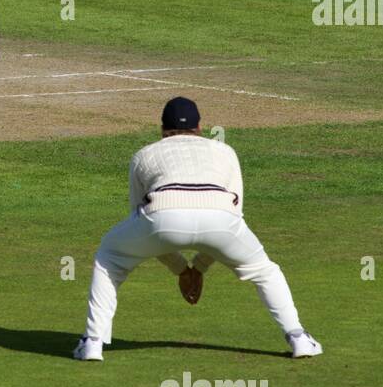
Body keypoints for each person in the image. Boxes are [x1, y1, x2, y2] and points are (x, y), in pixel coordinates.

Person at [75, 96, 322, 361]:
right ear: (200, 127)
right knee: (265, 271)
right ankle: (299, 339)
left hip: (162, 214)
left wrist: (183, 270)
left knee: (110, 255)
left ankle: (93, 343)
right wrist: (198, 268)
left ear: (162, 128)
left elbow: (144, 220)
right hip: (221, 218)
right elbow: (233, 214)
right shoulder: (225, 151)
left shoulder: (143, 155)